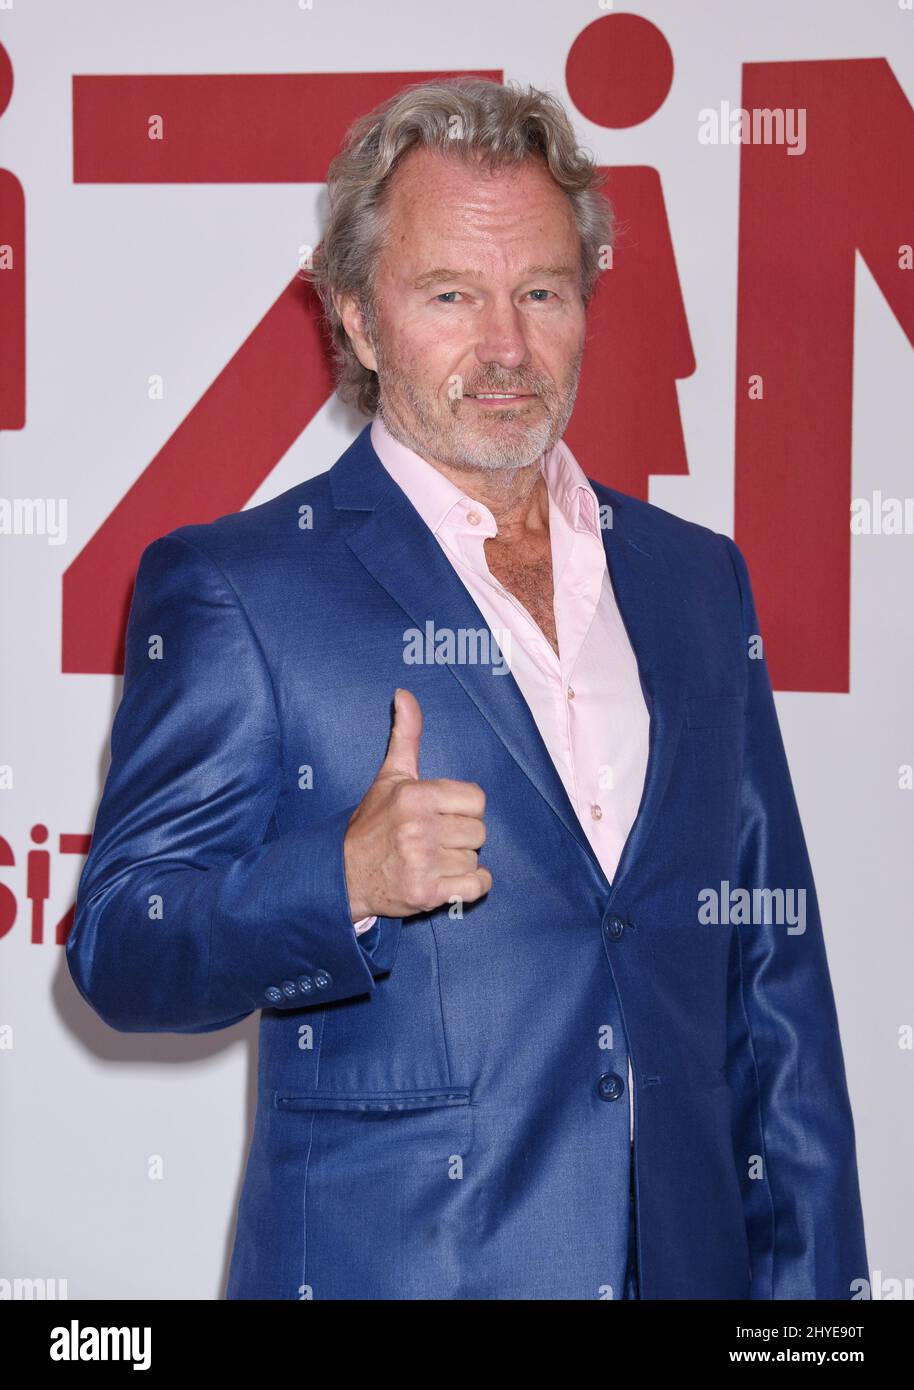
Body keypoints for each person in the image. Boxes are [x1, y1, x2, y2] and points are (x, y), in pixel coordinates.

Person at [67, 77, 867, 1301]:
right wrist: (339, 880)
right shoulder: (237, 589)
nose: (505, 346)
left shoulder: (697, 582)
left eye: (540, 292)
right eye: (450, 295)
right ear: (360, 317)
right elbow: (122, 948)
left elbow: (771, 983)